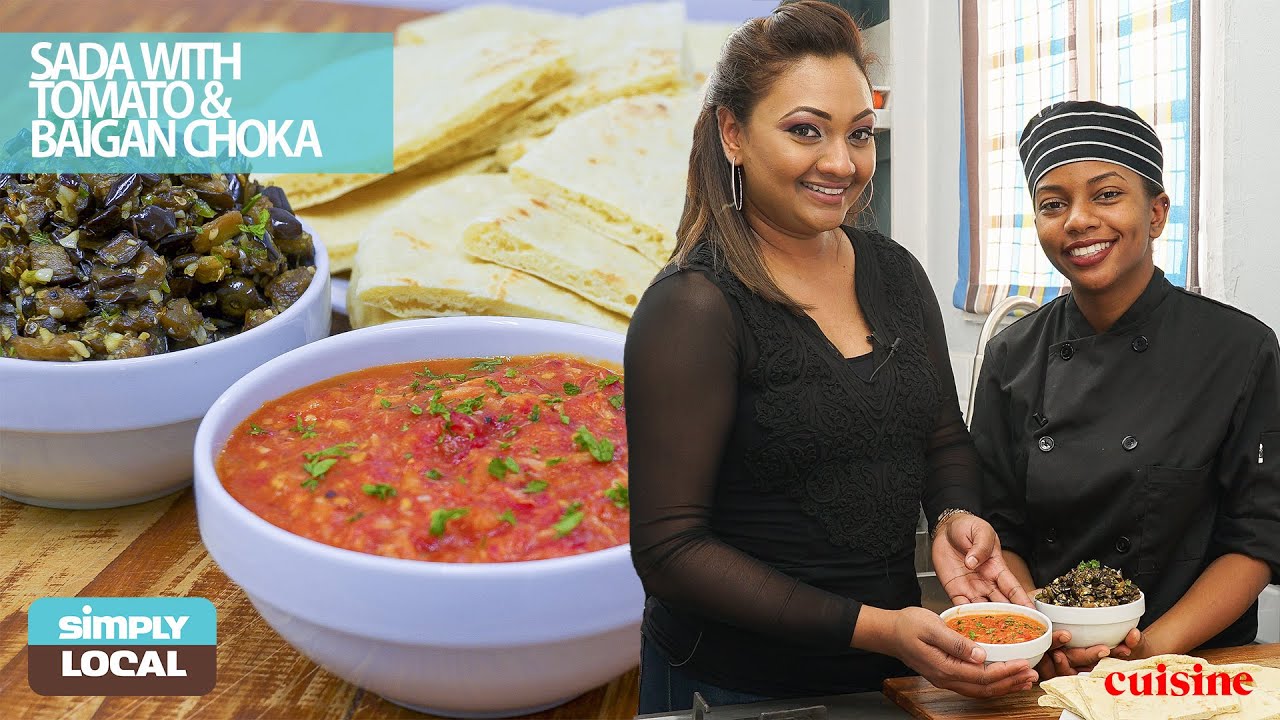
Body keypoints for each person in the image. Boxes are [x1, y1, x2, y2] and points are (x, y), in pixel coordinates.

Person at [623, 1, 1038, 713]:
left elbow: (941, 435)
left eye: (860, 134)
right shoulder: (693, 307)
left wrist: (954, 518)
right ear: (732, 133)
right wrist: (877, 628)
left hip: (892, 678)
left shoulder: (895, 272)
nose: (841, 163)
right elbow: (669, 553)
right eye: (805, 131)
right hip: (735, 689)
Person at [970, 99, 1280, 682]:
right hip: (1054, 663)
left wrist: (1151, 650)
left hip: (1193, 665)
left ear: (1158, 212)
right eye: (1052, 205)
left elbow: (1259, 535)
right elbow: (999, 525)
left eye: (1107, 195)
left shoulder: (1239, 350)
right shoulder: (1012, 356)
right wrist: (1044, 631)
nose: (1078, 220)